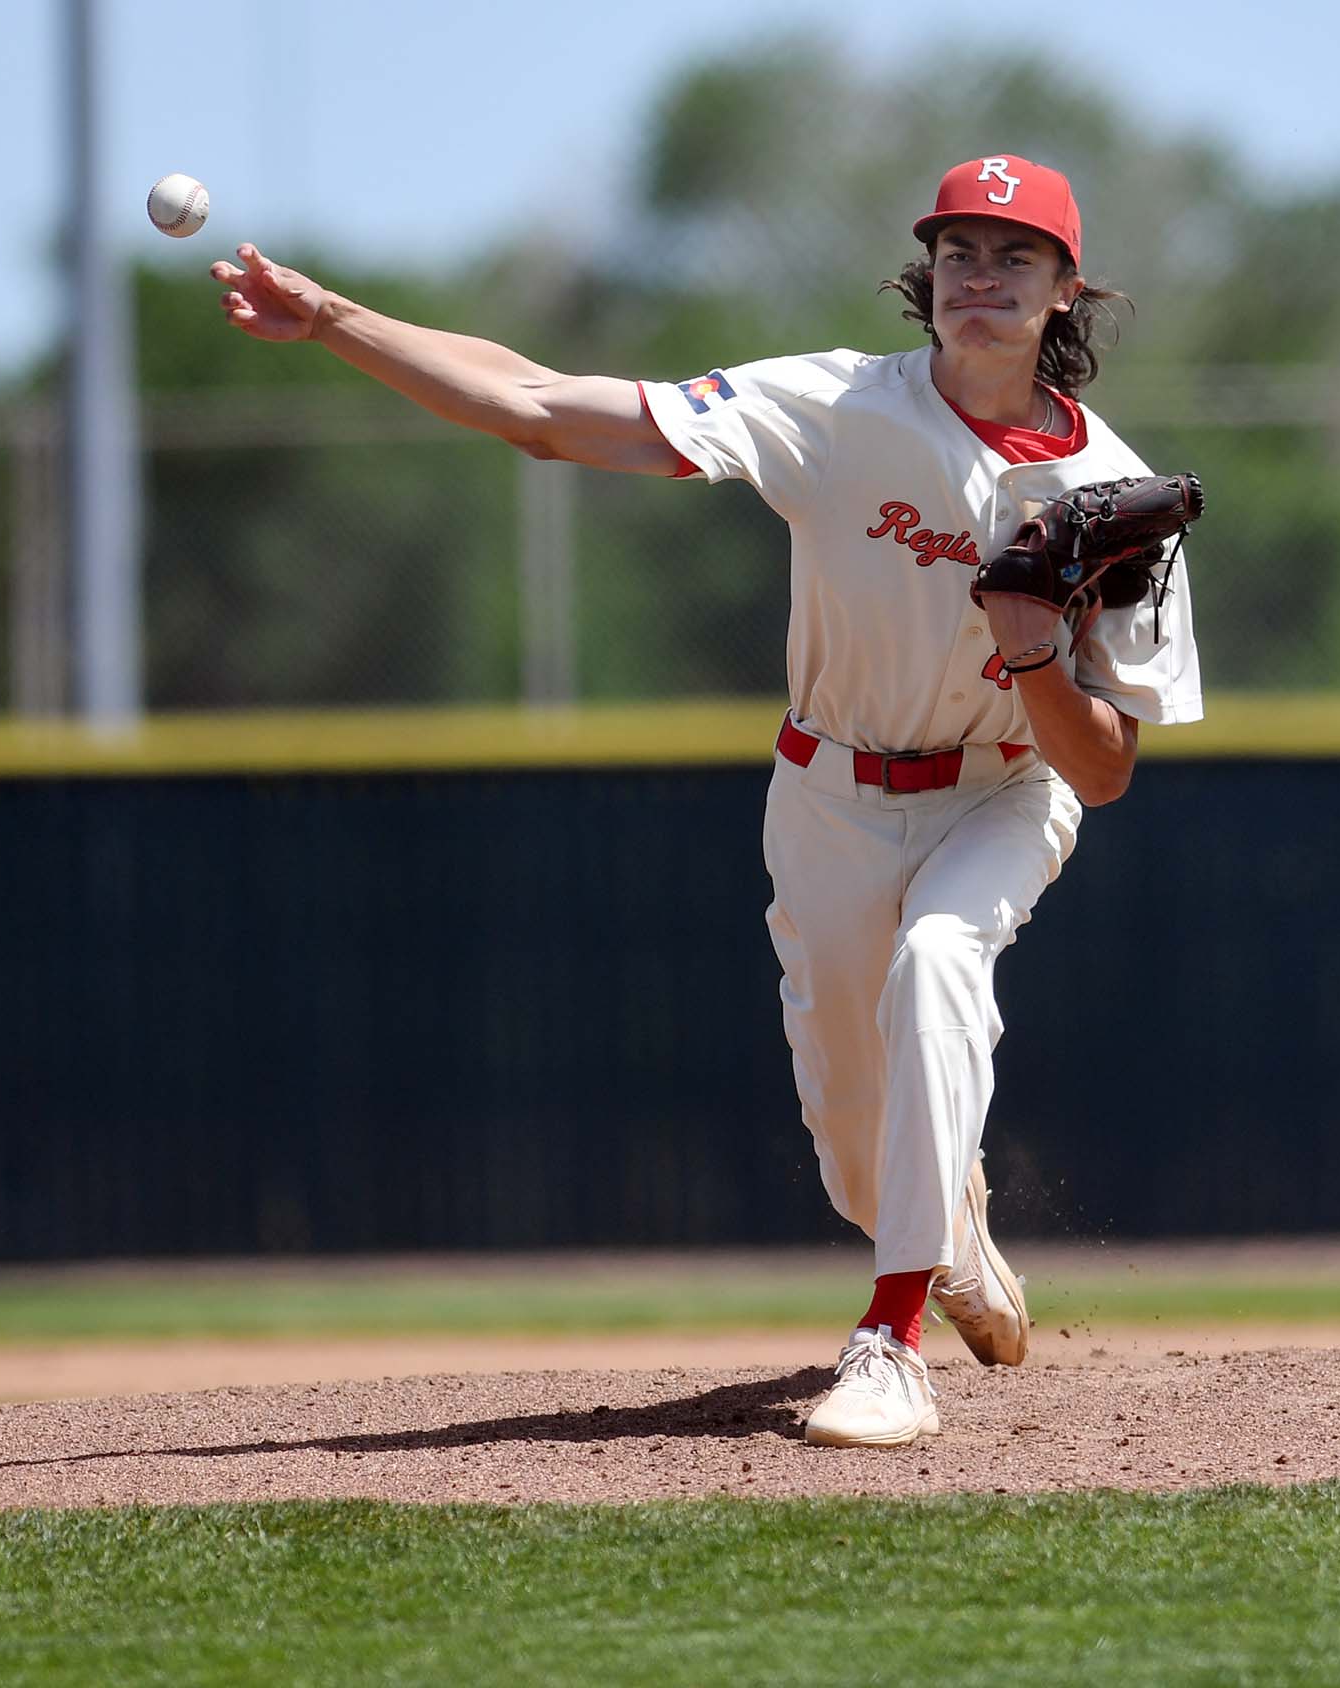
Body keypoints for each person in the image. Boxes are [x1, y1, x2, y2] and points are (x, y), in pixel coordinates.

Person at [211, 154, 1201, 1447]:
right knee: (858, 1147)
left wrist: (1027, 649)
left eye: (1016, 256)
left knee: (941, 962)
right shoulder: (840, 405)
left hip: (1000, 793)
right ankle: (941, 1224)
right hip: (831, 796)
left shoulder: (1116, 499)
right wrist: (336, 317)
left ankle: (889, 1343)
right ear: (929, 275)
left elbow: (1105, 771)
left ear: (1069, 290)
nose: (982, 275)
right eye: (960, 250)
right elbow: (539, 407)